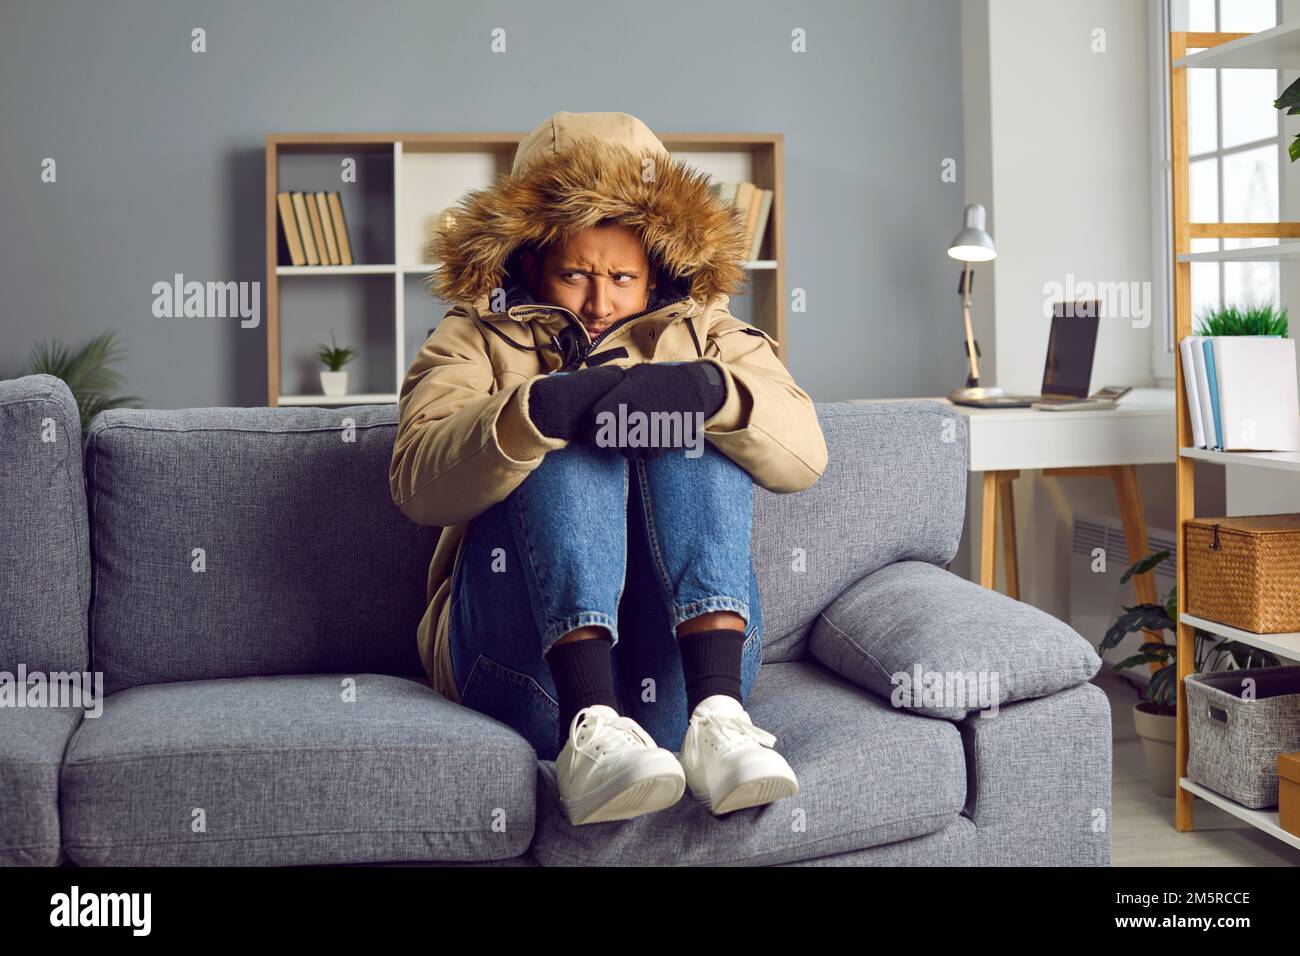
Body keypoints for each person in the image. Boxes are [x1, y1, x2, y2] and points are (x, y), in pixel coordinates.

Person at [389, 111, 828, 826]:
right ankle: (590, 732)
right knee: (566, 424)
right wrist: (533, 412)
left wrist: (713, 392)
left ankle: (720, 723)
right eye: (574, 275)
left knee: (690, 426)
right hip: (523, 673)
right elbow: (415, 482)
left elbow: (805, 455)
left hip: (682, 682)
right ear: (530, 258)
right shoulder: (471, 336)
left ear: (656, 267)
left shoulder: (707, 331)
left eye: (622, 278)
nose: (600, 303)